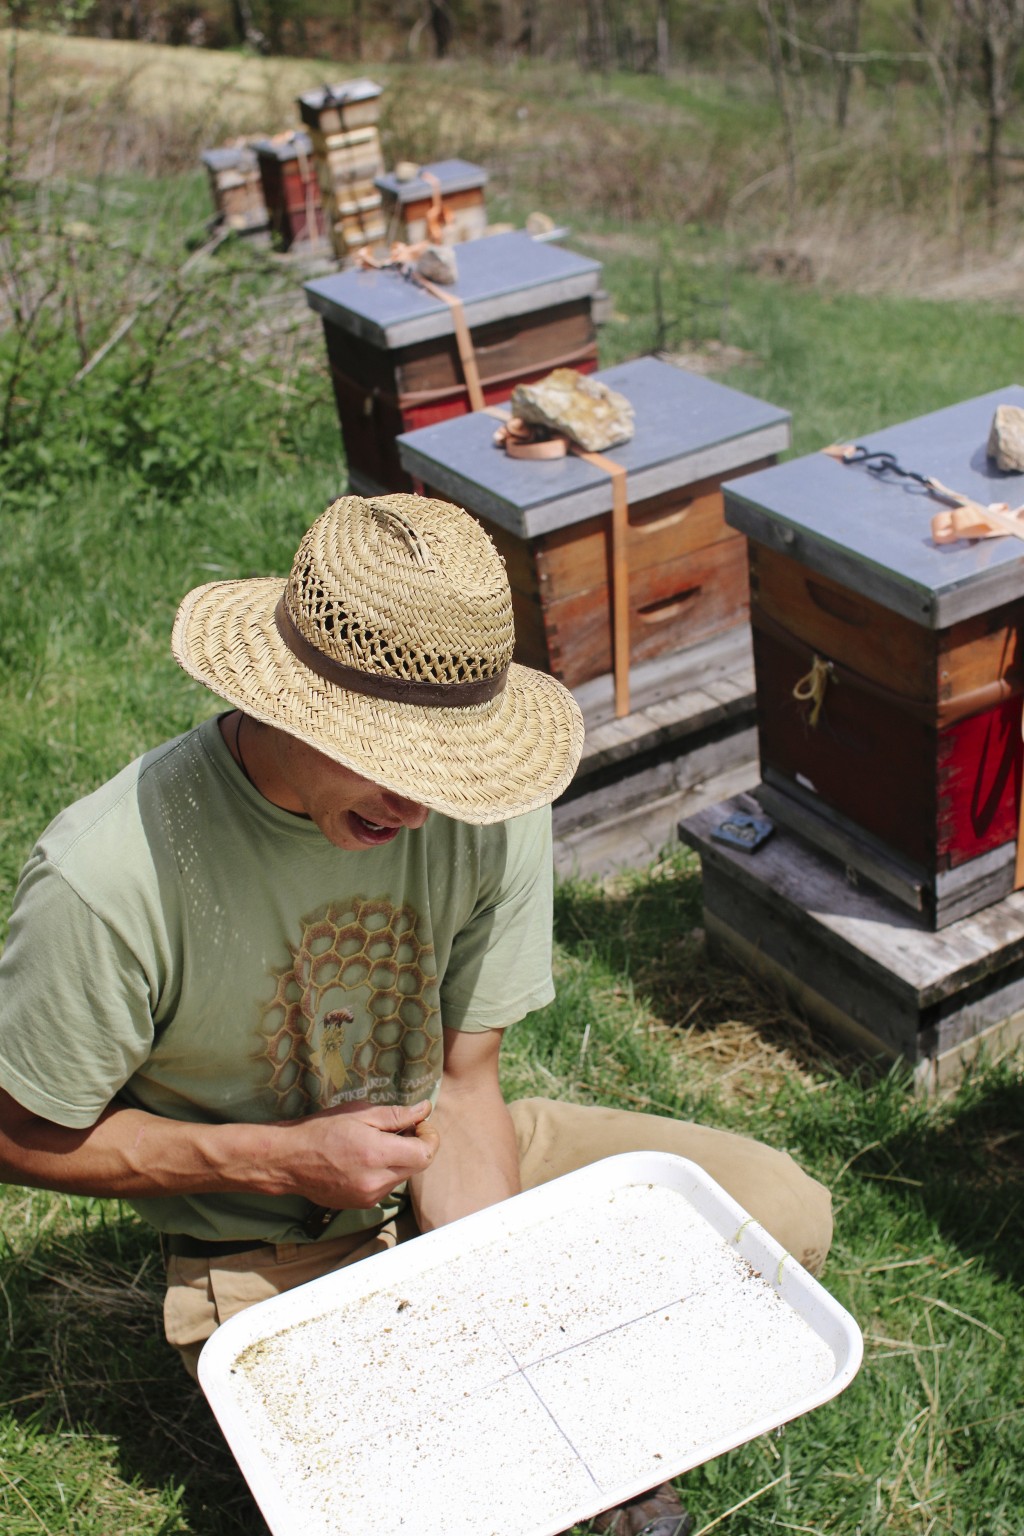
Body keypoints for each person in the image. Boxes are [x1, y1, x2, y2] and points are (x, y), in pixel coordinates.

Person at [0, 492, 832, 1536]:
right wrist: (275, 1160)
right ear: (287, 701)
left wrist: (498, 1313)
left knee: (777, 1210)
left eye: (451, 766)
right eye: (392, 763)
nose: (422, 808)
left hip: (448, 1151)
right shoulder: (109, 877)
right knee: (393, 1497)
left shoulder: (481, 812)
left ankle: (579, 1438)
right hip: (267, 1245)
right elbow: (19, 1136)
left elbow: (462, 1079)